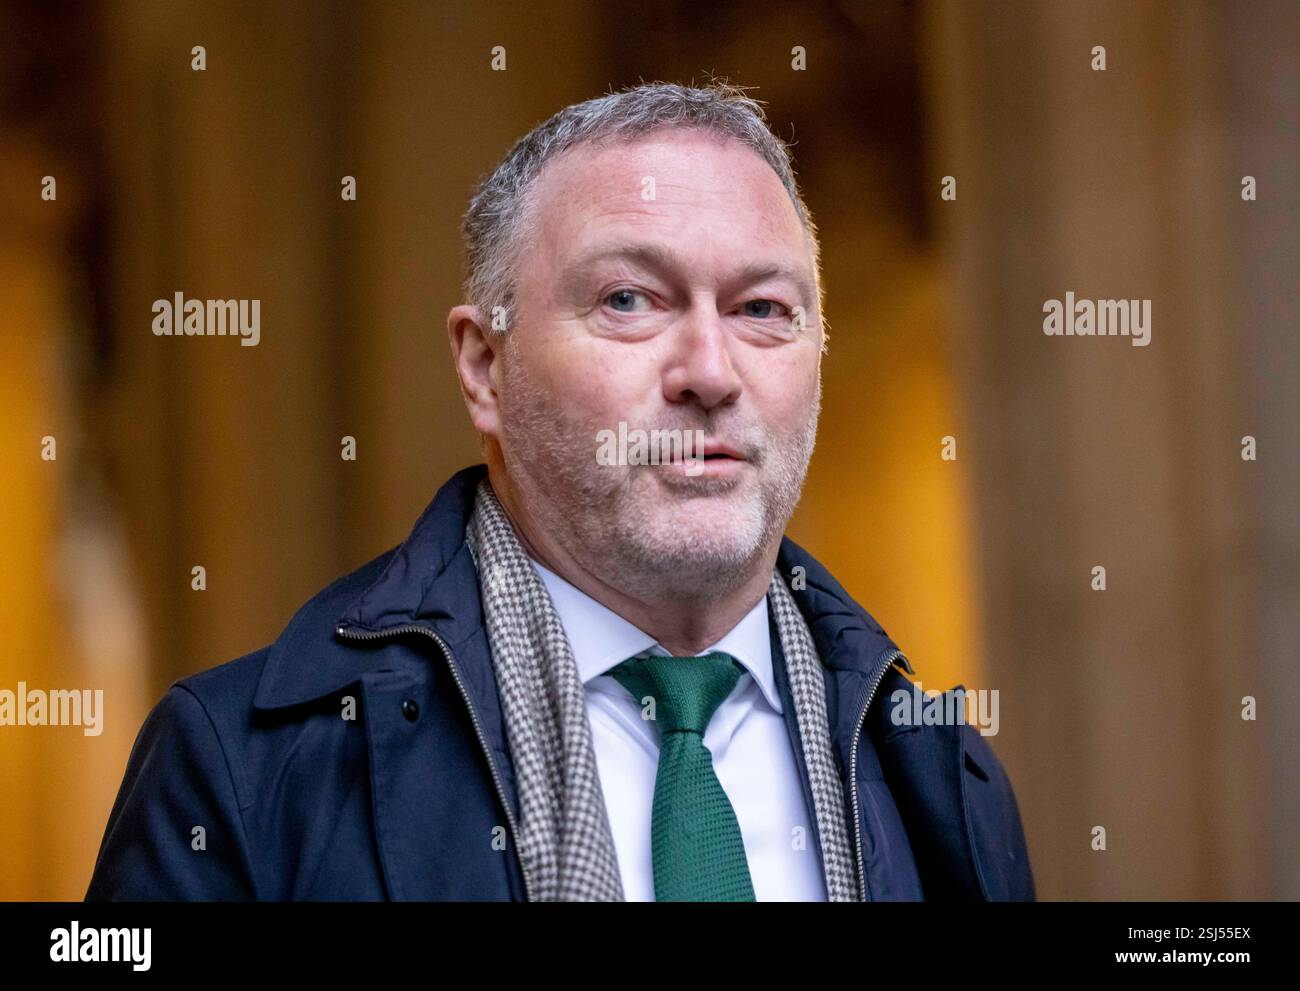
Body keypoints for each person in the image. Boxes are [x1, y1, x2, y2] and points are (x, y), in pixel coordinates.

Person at [86, 81, 1034, 901]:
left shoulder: (943, 776)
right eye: (629, 300)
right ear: (485, 367)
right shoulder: (246, 772)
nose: (710, 368)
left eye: (762, 310)